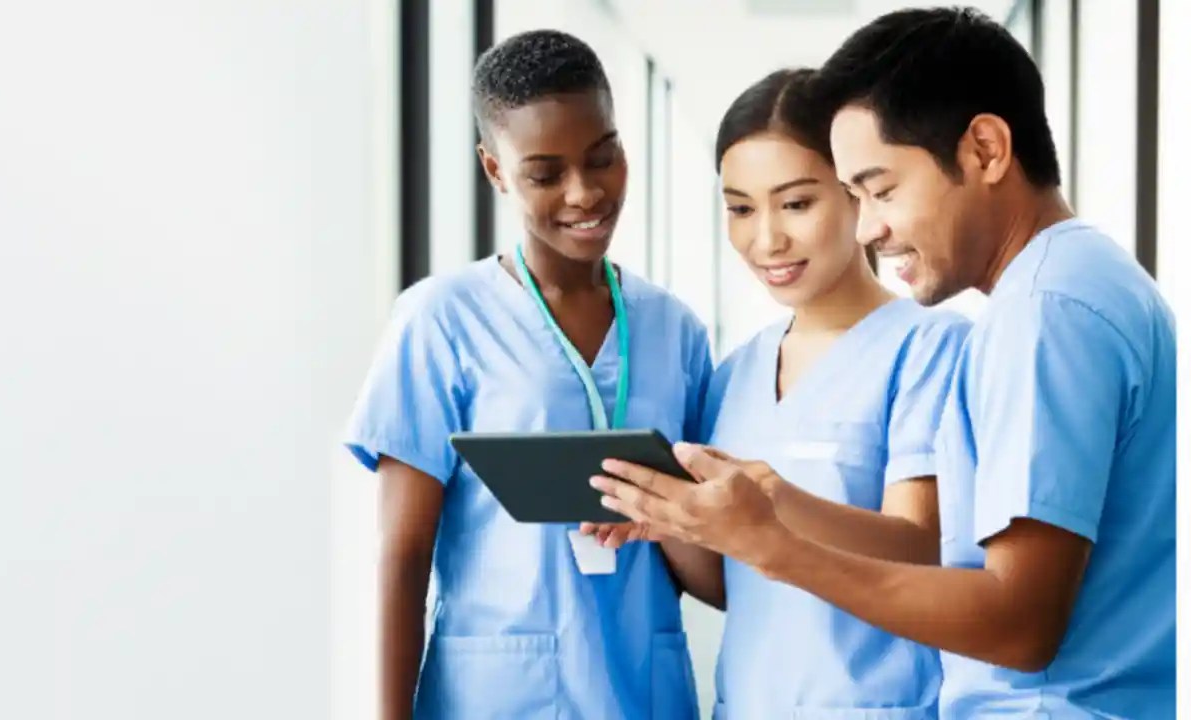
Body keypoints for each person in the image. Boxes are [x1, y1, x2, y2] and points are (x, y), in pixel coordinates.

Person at [591, 8, 1176, 719]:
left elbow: (1018, 622)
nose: (870, 227)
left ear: (986, 149)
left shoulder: (1043, 312)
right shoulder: (1075, 285)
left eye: (881, 189)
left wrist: (775, 541)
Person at [345, 29, 710, 719]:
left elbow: (709, 555)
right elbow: (403, 553)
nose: (585, 192)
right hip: (494, 696)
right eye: (546, 173)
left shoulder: (676, 330)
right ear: (495, 170)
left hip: (642, 690)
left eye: (603, 158)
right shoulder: (440, 320)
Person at [590, 68, 969, 719]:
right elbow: (731, 584)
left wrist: (772, 501)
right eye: (740, 208)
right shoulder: (734, 373)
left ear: (858, 194)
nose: (766, 240)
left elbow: (922, 550)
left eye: (796, 203)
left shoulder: (931, 349)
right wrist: (671, 524)